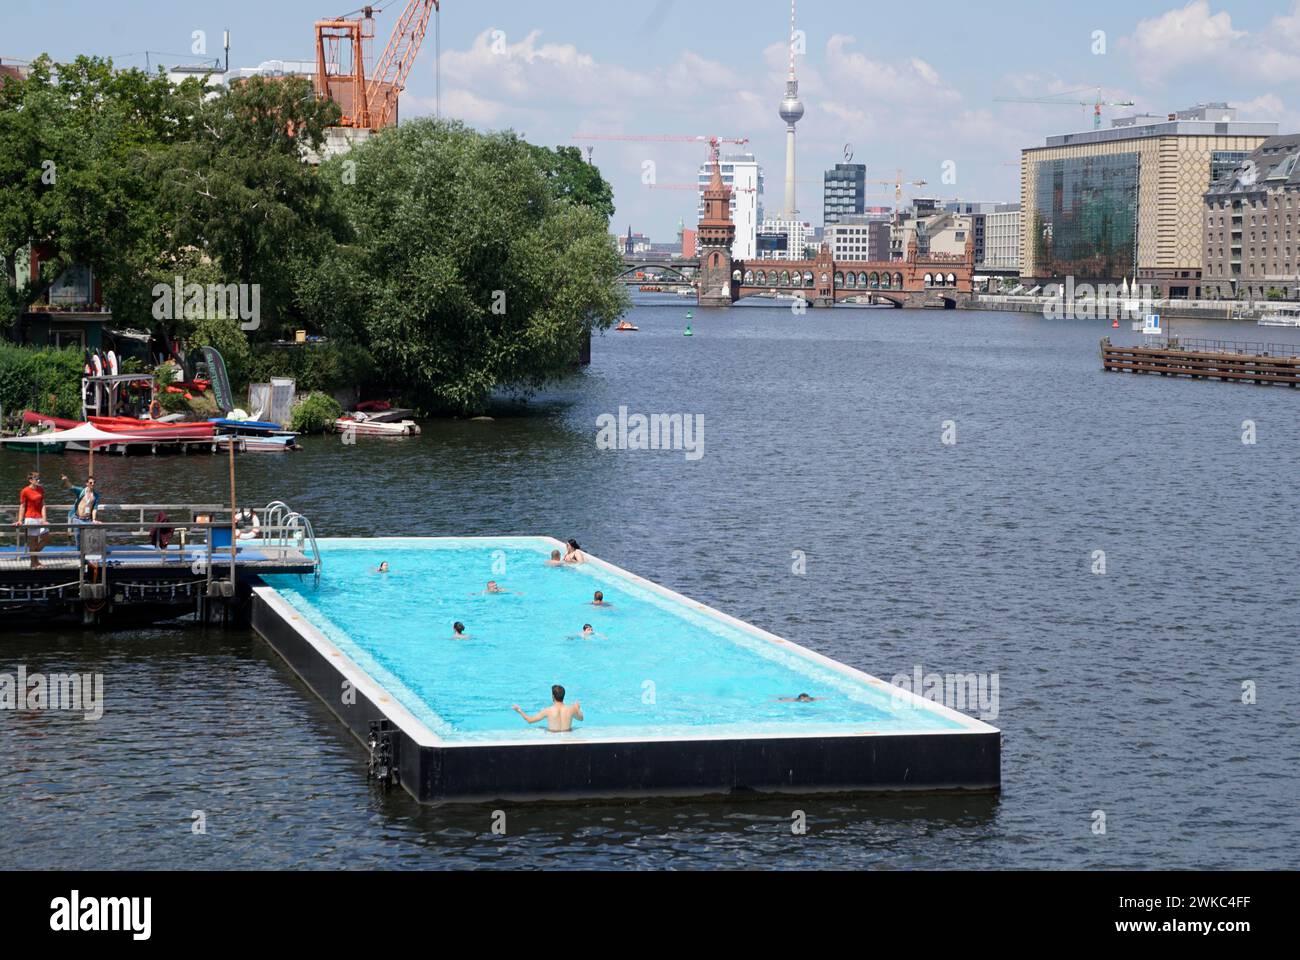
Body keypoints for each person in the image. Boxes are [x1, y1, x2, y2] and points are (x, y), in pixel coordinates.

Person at [512, 685, 584, 733]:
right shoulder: (571, 709)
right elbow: (581, 718)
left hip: (552, 737)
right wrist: (577, 708)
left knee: (541, 727)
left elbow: (530, 720)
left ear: (553, 696)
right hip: (567, 736)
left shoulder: (548, 710)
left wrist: (519, 710)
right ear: (563, 696)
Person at [15, 472, 49, 568]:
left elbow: (43, 505)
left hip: (40, 518)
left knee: (46, 538)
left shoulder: (40, 489)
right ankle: (34, 562)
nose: (38, 480)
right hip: (30, 518)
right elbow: (22, 506)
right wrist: (20, 520)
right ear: (30, 480)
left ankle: (34, 558)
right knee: (32, 542)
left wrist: (44, 519)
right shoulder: (25, 491)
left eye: (39, 478)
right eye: (36, 479)